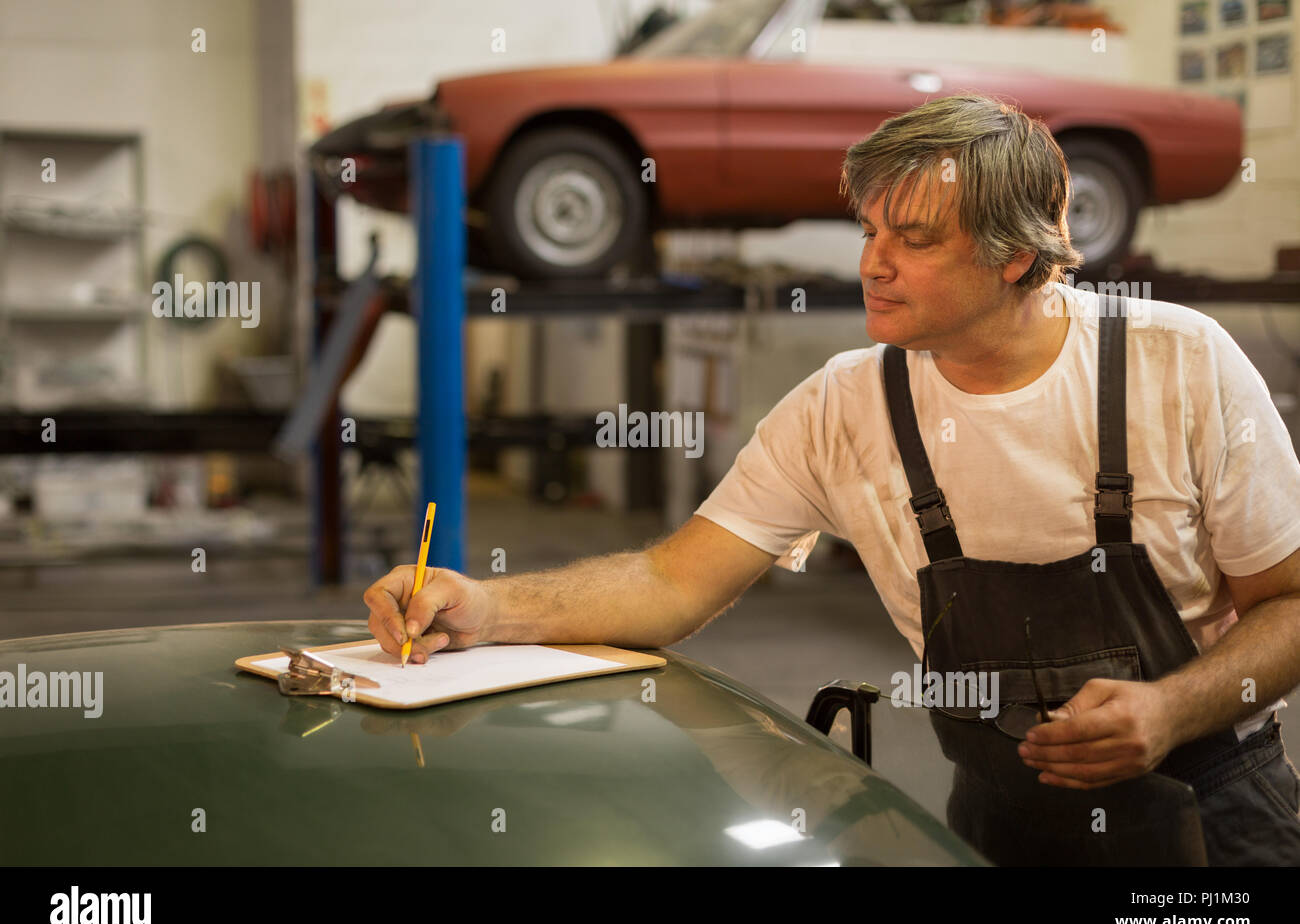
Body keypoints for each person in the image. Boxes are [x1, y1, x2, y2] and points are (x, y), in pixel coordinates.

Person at [364, 93, 1300, 866]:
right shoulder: (845, 405)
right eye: (869, 229)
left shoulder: (1177, 364)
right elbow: (671, 580)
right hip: (999, 821)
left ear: (1017, 255)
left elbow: (1290, 603)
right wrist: (482, 608)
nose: (872, 264)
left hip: (1212, 819)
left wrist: (1174, 708)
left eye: (916, 239)